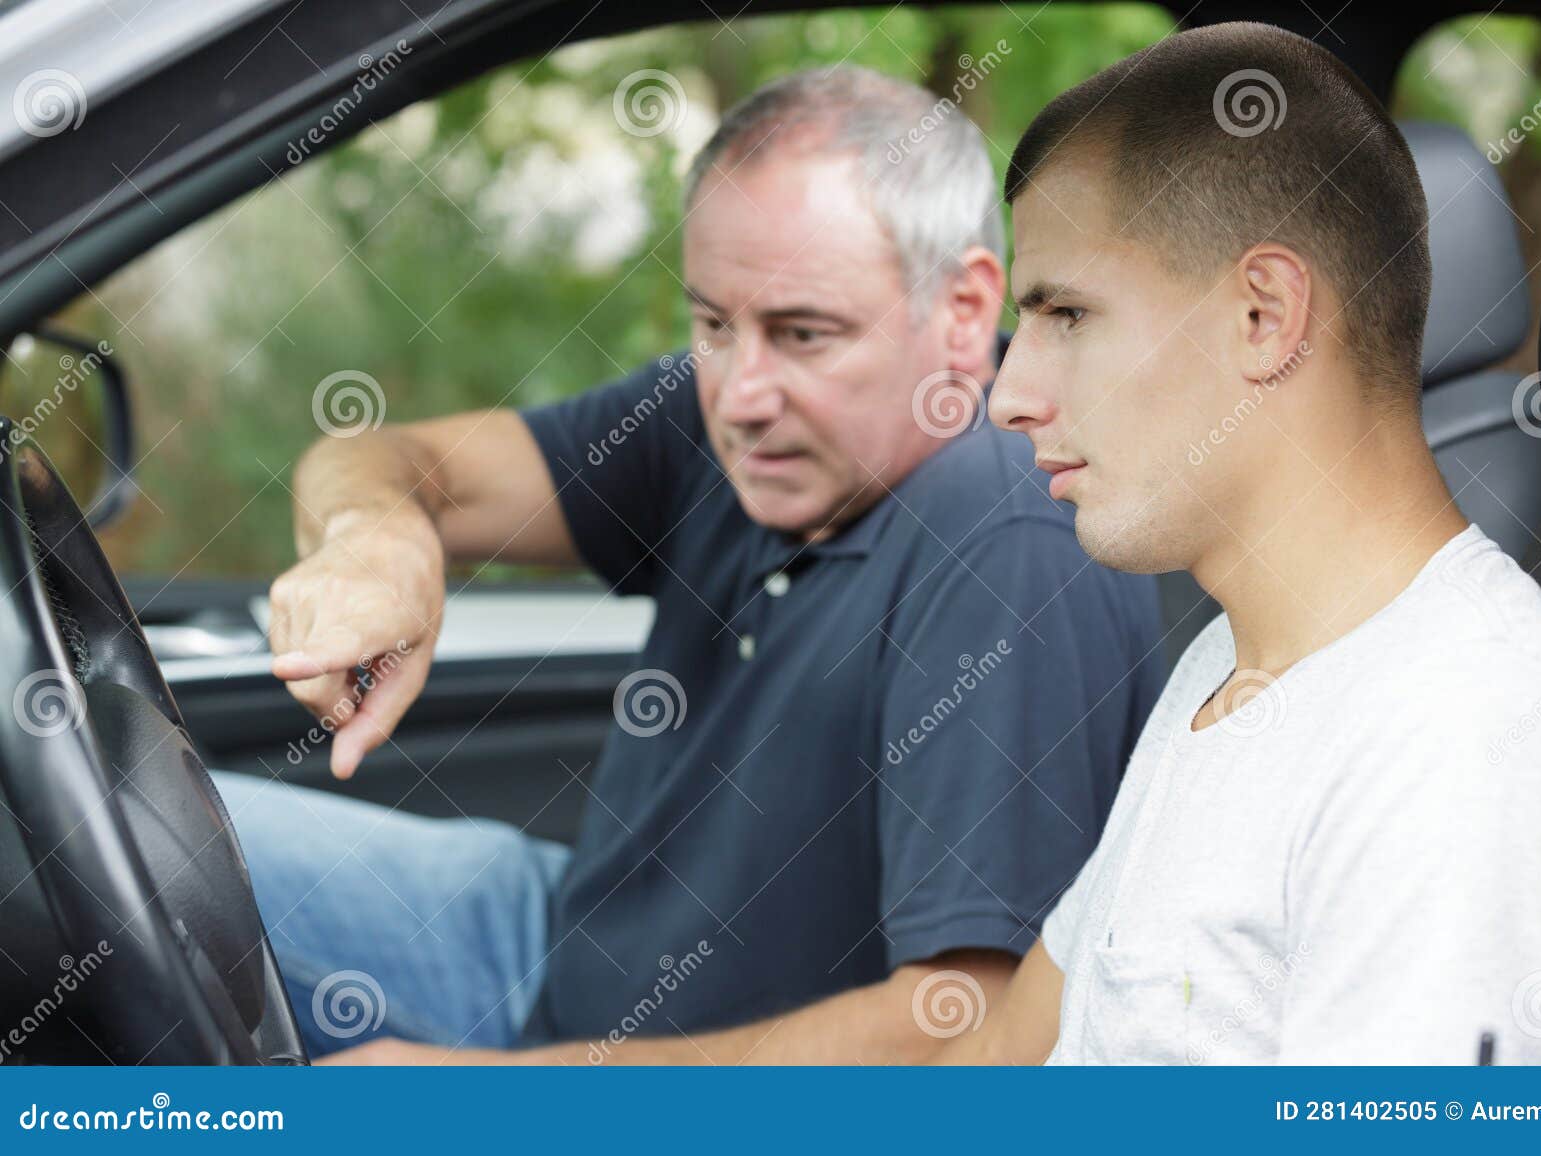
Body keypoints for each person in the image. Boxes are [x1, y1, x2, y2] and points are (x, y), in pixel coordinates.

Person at [211, 65, 1165, 1064]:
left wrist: (493, 1095)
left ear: (965, 311)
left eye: (804, 333)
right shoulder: (733, 418)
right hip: (550, 934)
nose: (742, 392)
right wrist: (382, 538)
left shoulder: (1008, 539)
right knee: (121, 839)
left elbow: (967, 1032)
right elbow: (381, 459)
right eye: (712, 322)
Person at [926, 21, 1541, 1065]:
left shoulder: (1461, 744)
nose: (1008, 395)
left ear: (1262, 315)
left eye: (1066, 313)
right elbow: (1002, 1063)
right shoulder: (1234, 662)